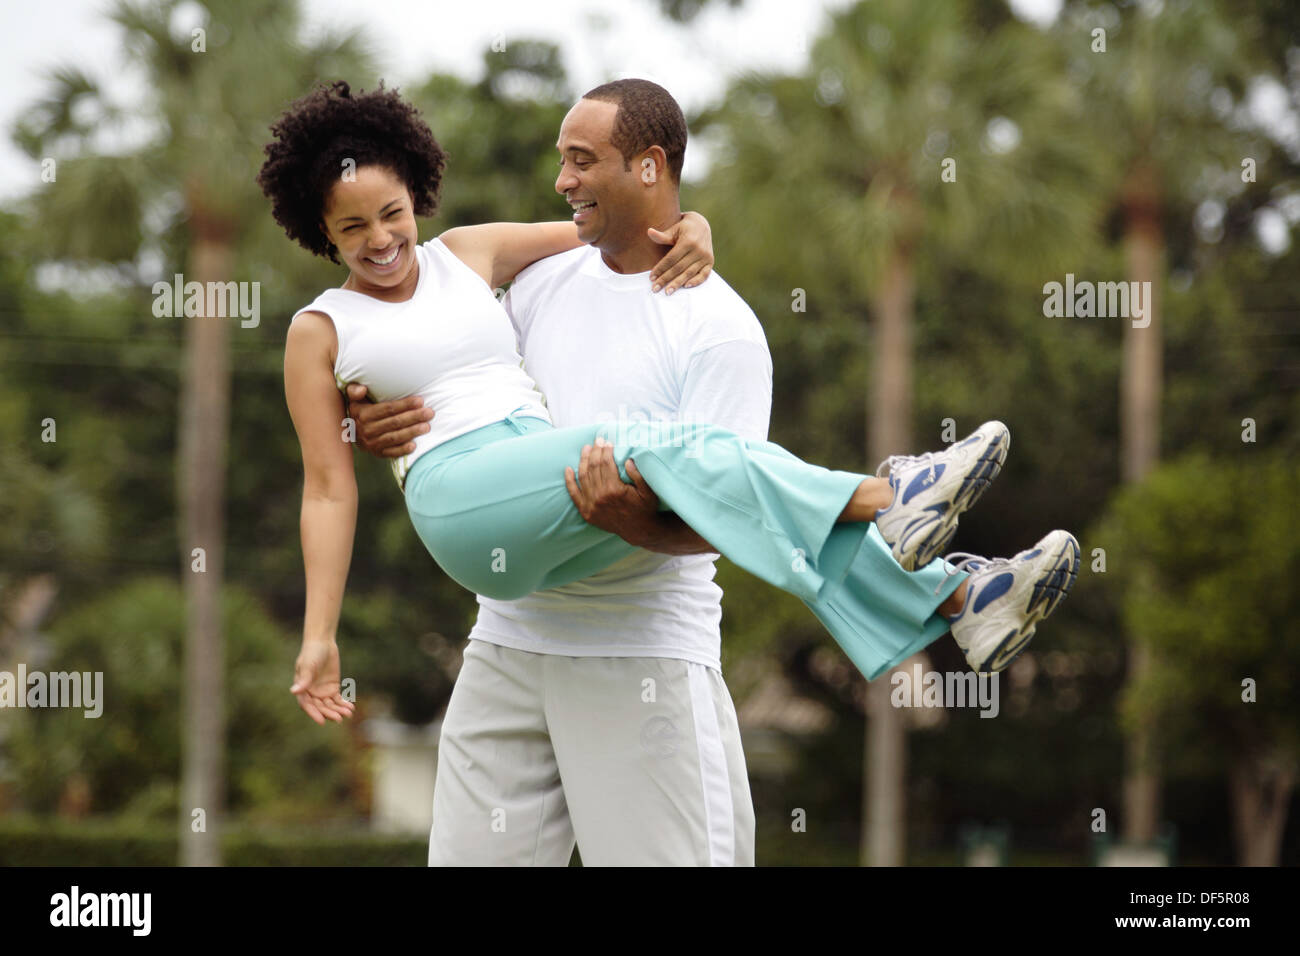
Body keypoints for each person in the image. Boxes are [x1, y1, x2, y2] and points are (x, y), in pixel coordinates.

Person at [270, 79, 1079, 866]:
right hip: (503, 613)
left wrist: (695, 226)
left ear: (650, 165)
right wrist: (358, 426)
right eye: (351, 227)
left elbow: (721, 515)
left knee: (674, 455)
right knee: (652, 446)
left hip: (639, 646)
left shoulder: (713, 325)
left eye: (582, 160)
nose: (563, 183)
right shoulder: (513, 290)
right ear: (324, 232)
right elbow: (359, 450)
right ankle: (887, 502)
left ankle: (954, 597)